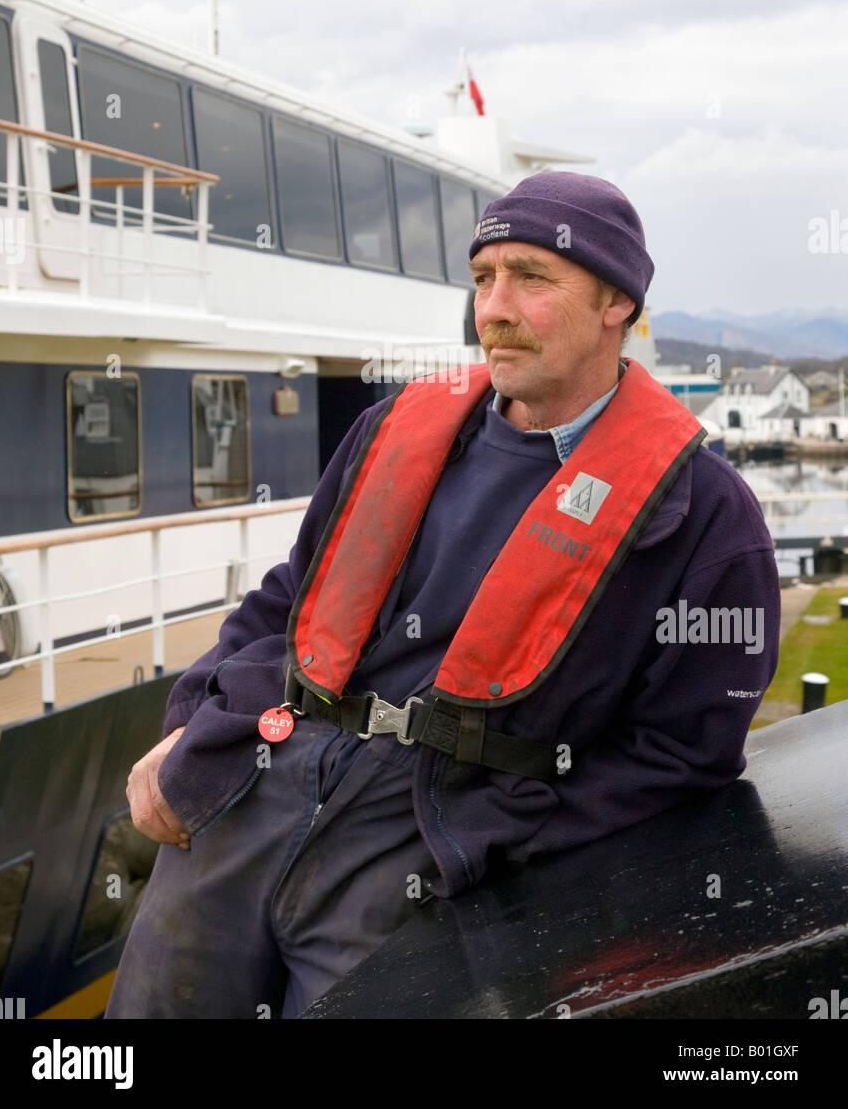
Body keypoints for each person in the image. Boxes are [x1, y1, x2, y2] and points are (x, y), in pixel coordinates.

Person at [105, 170, 780, 1020]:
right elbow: (290, 596)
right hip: (258, 789)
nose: (493, 308)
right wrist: (190, 724)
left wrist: (507, 837)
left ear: (618, 302)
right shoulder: (392, 431)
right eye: (483, 278)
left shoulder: (705, 518)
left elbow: (685, 756)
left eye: (532, 277)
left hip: (432, 842)